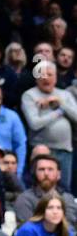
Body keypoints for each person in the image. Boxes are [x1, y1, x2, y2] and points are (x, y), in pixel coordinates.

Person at [21, 61, 77, 191]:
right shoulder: (30, 95)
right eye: (42, 75)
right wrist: (59, 112)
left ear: (56, 77)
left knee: (64, 189)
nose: (46, 78)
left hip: (65, 150)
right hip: (41, 150)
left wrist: (60, 103)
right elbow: (35, 123)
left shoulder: (65, 95)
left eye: (50, 74)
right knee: (40, 189)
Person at [12, 153, 77, 228]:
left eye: (50, 169)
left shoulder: (68, 199)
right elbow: (26, 230)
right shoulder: (25, 199)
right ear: (34, 173)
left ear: (58, 174)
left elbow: (71, 228)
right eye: (41, 169)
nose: (46, 173)